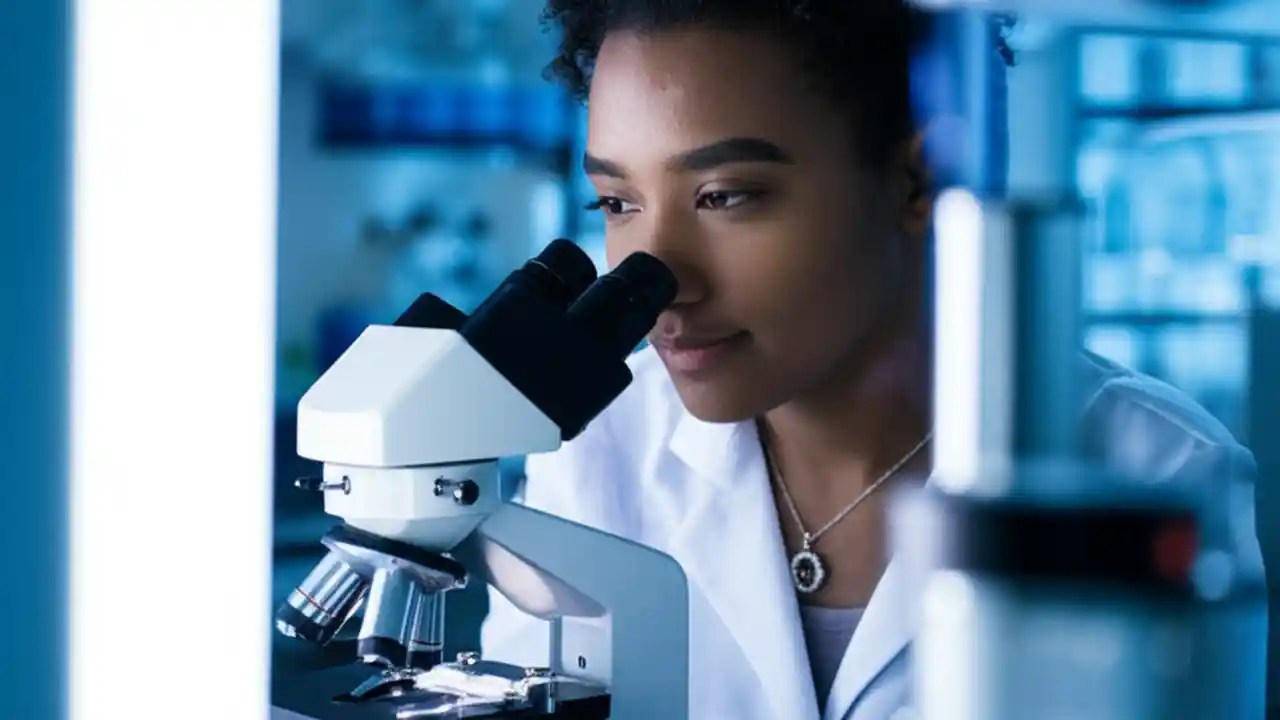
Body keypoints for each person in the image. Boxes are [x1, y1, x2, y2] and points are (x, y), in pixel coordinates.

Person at [480, 2, 1265, 719]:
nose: (657, 281)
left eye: (723, 195)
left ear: (916, 180)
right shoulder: (596, 450)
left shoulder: (1156, 468)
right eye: (618, 203)